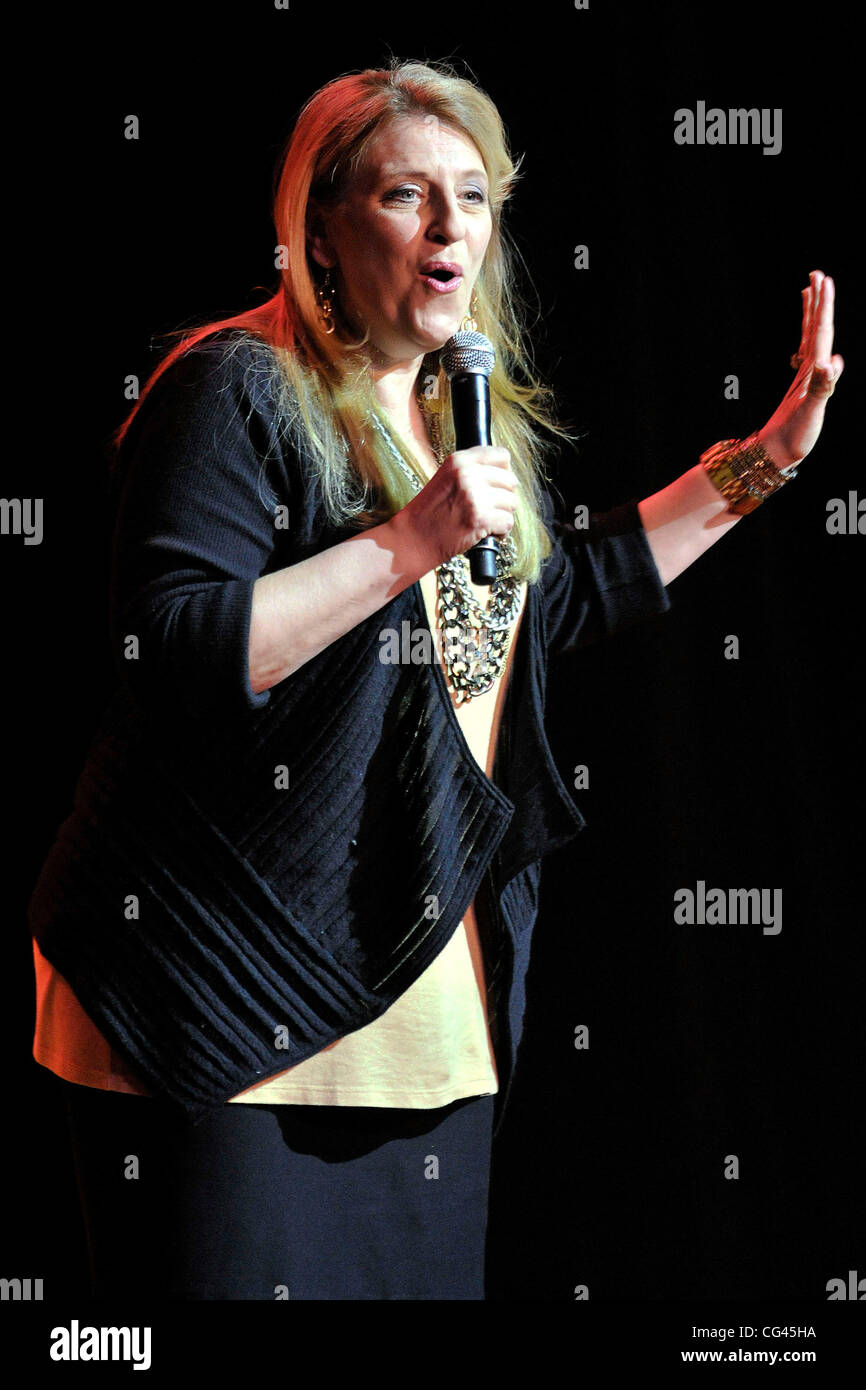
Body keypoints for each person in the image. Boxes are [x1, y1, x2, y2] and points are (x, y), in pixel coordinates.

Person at [27, 58, 842, 1302]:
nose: (451, 226)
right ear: (321, 228)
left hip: (424, 1030)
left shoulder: (453, 417)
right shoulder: (239, 386)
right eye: (408, 195)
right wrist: (407, 540)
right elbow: (181, 648)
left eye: (474, 195)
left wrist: (764, 464)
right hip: (224, 1018)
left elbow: (545, 601)